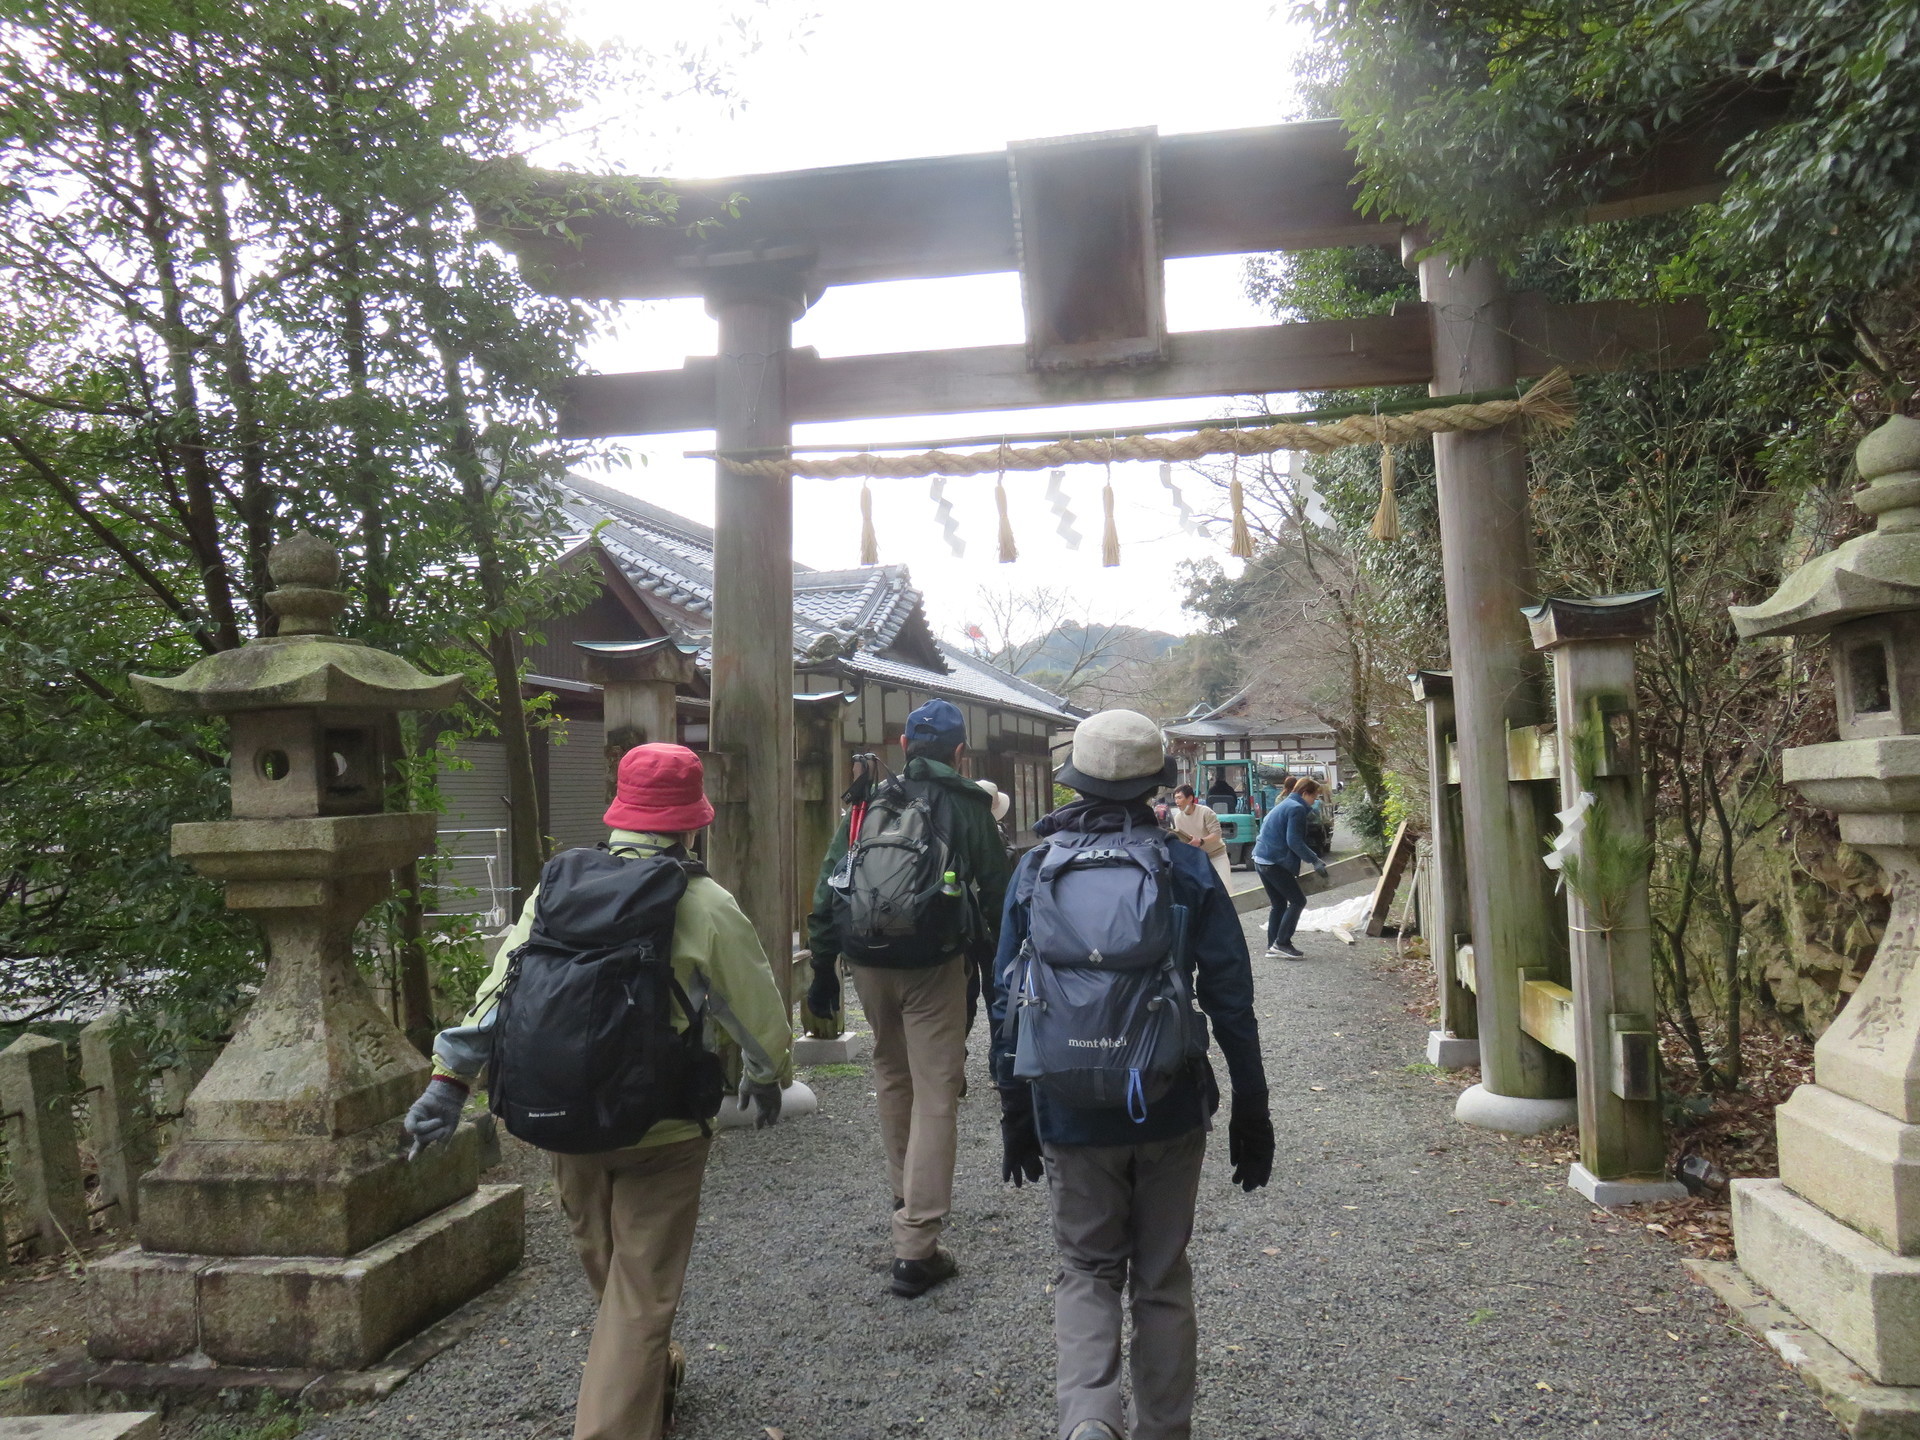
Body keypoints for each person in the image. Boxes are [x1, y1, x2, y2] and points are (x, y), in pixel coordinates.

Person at [404, 744, 793, 1440]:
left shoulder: (555, 888)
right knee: (639, 1298)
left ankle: (649, 1373)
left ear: (620, 812)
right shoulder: (703, 900)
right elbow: (754, 1009)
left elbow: (504, 990)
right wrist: (769, 1078)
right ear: (690, 823)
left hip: (563, 1119)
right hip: (662, 1130)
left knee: (610, 1274)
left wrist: (449, 1079)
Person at [990, 709, 1272, 1440]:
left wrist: (1016, 1112)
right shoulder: (1182, 867)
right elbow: (1232, 1000)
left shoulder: (1035, 868)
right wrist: (1252, 1109)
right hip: (1170, 1101)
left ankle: (1088, 1421)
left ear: (1076, 776)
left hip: (1068, 1106)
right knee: (1162, 1277)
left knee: (1085, 1269)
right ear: (1159, 781)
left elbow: (1005, 1002)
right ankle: (1162, 1432)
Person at [804, 698, 1011, 1297]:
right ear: (959, 751)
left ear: (901, 745)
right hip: (934, 963)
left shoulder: (866, 800)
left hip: (866, 962)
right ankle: (917, 1244)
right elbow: (997, 893)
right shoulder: (968, 803)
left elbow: (829, 883)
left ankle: (906, 1192)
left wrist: (822, 968)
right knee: (937, 1087)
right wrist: (1002, 970)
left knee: (892, 1074)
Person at [1253, 776, 1327, 960]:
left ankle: (1273, 945)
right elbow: (1294, 841)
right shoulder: (1296, 809)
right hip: (1272, 861)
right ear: (1305, 793)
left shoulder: (1286, 804)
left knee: (1278, 904)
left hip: (1261, 858)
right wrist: (1315, 860)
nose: (1315, 800)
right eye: (1314, 796)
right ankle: (1282, 943)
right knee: (1298, 901)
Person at [1168, 782, 1232, 888]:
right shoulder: (1178, 818)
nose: (1177, 802)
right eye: (1175, 799)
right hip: (1198, 859)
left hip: (1217, 855)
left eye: (1179, 798)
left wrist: (1201, 841)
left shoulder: (1206, 812)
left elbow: (1216, 835)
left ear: (1190, 798)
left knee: (1225, 887)